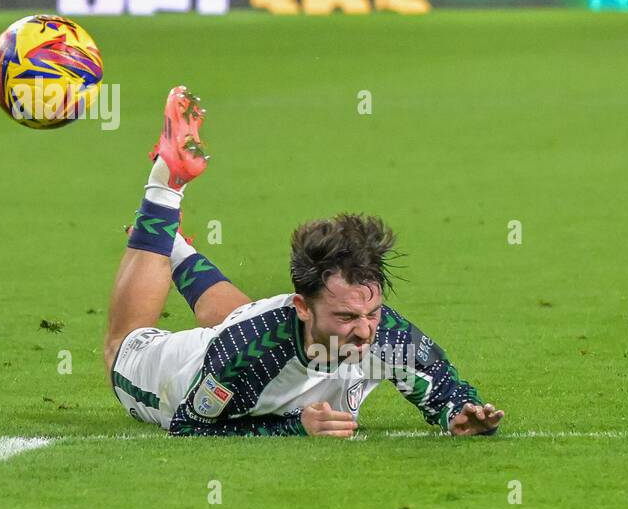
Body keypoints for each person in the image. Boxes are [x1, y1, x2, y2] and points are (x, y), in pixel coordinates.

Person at [104, 87, 505, 438]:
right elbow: (189, 425)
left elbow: (441, 387)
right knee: (125, 342)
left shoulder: (384, 335)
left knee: (243, 315)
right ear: (301, 307)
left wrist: (460, 412)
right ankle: (163, 192)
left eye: (372, 312)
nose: (365, 331)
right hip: (167, 375)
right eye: (347, 317)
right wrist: (295, 424)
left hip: (249, 334)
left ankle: (172, 247)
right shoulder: (244, 356)